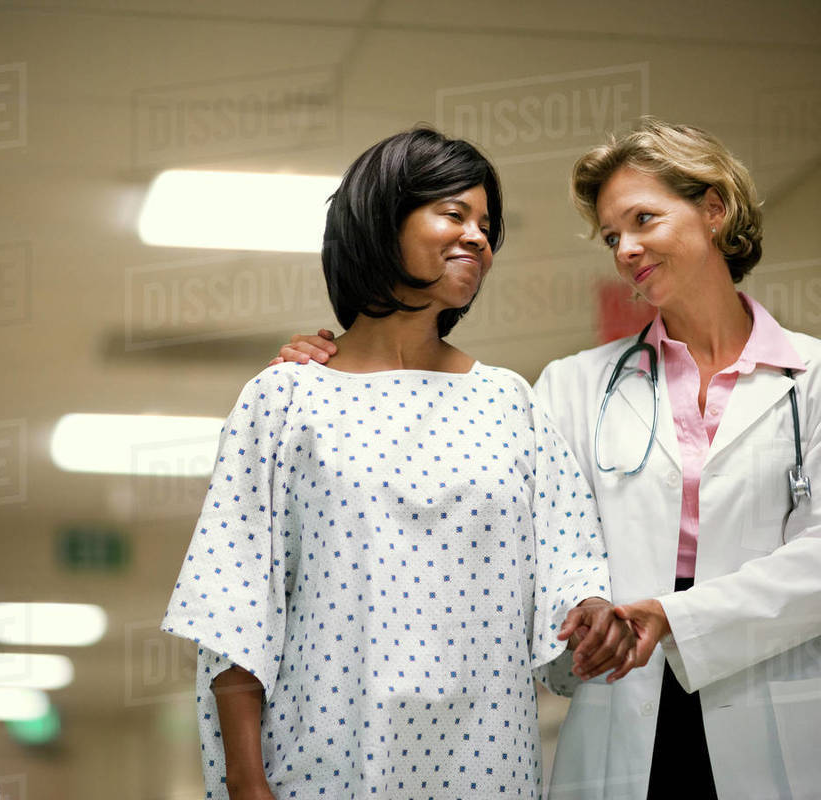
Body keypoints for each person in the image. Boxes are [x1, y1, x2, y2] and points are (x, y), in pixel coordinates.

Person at [271, 118, 821, 799]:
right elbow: (501, 529)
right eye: (612, 234)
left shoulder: (814, 380)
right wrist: (344, 366)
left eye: (643, 219)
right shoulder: (572, 386)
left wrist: (675, 617)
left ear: (715, 209)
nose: (626, 248)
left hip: (773, 701)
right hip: (623, 700)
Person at [161, 127, 635, 800]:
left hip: (485, 765)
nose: (478, 238)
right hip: (324, 767)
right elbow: (232, 608)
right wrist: (246, 781)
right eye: (454, 214)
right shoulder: (285, 398)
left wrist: (587, 607)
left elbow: (570, 559)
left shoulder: (509, 403)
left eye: (487, 225)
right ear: (384, 222)